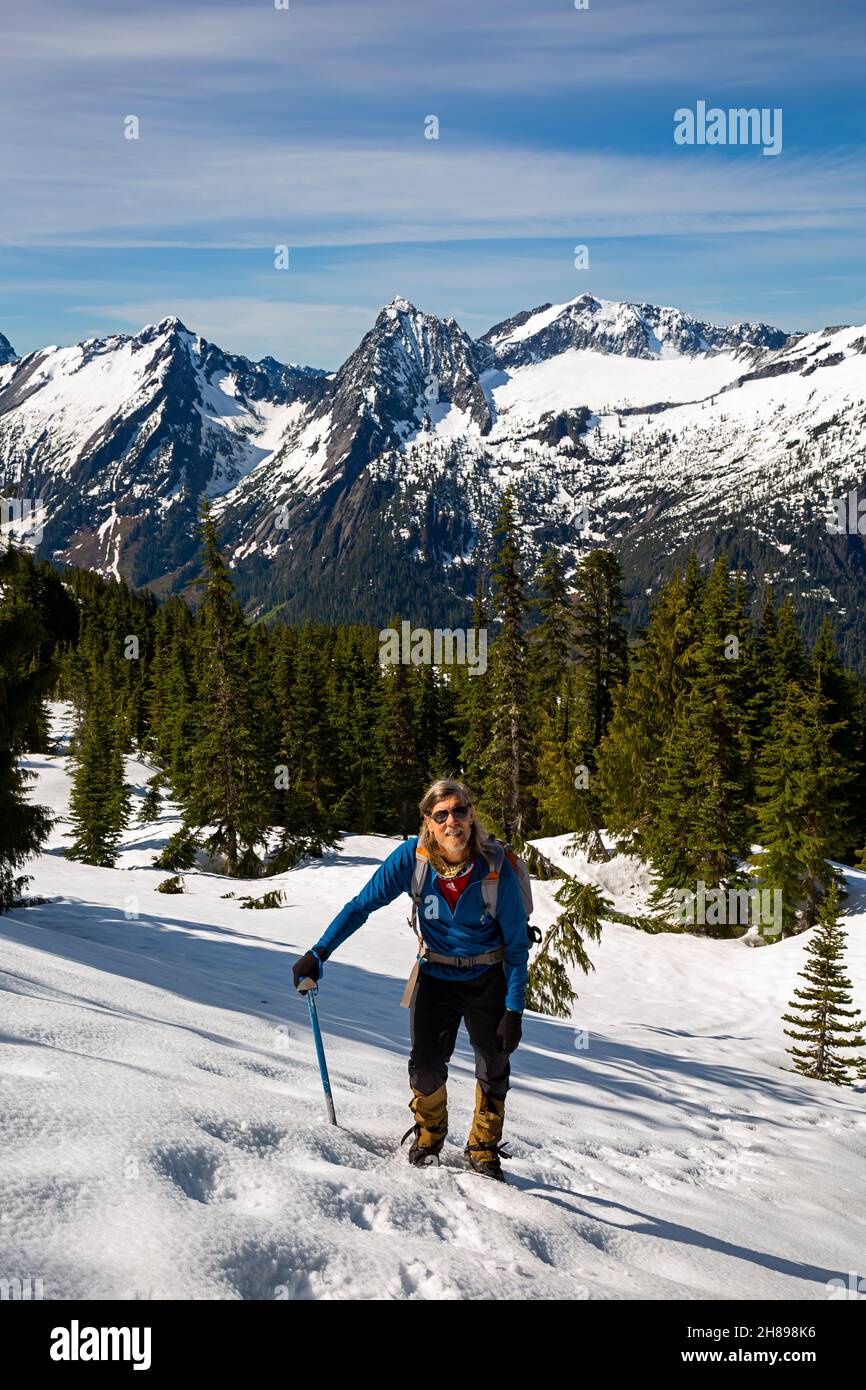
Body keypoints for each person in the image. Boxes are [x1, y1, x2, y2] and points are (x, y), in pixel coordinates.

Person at [292, 778, 528, 1182]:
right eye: (441, 815)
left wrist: (513, 1010)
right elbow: (361, 906)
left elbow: (518, 948)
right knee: (425, 1066)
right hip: (435, 975)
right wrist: (319, 952)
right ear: (428, 822)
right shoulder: (411, 860)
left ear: (471, 816)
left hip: (488, 976)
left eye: (459, 811)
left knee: (494, 1063)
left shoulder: (496, 867)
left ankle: (483, 1147)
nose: (451, 821)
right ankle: (430, 1133)